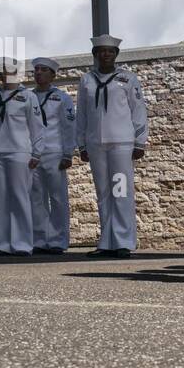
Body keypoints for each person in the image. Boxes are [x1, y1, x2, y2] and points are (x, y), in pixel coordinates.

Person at [77, 35, 147, 259]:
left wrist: (140, 140)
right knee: (104, 193)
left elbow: (138, 111)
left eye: (109, 51)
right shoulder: (86, 80)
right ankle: (106, 241)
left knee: (121, 191)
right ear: (95, 55)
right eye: (101, 51)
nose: (105, 54)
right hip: (96, 143)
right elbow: (82, 115)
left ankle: (124, 241)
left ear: (116, 55)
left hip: (121, 142)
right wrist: (81, 144)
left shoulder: (128, 79)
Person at [0, 59, 43, 256]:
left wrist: (37, 151)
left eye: (10, 71)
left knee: (20, 197)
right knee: (0, 199)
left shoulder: (27, 96)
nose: (5, 75)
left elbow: (36, 126)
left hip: (19, 151)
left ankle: (22, 243)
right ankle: (2, 243)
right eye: (2, 72)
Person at [30, 56, 76, 254]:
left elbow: (69, 126)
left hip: (55, 152)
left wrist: (68, 153)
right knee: (36, 198)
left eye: (44, 70)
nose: (39, 73)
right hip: (33, 154)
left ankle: (58, 240)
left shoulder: (62, 98)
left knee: (57, 198)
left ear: (53, 75)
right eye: (37, 70)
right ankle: (40, 239)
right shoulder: (28, 96)